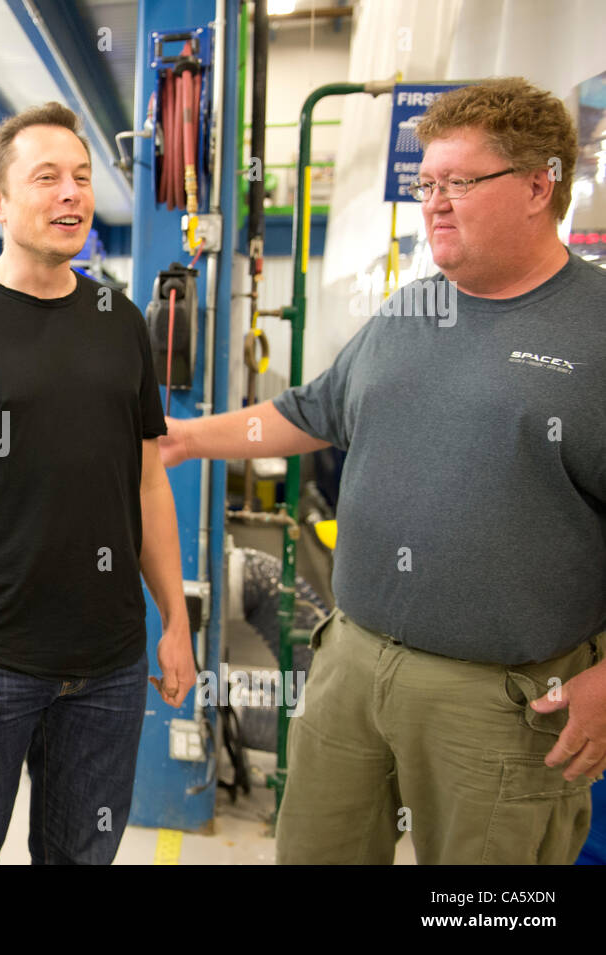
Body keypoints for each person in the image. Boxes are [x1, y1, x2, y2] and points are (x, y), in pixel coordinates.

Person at [160, 77, 606, 864]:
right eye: (426, 184)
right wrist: (186, 439)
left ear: (540, 186)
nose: (433, 202)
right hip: (353, 663)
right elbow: (310, 412)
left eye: (459, 183)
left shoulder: (594, 331)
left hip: (499, 700)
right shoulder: (412, 309)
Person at [0, 102, 196, 865]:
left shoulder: (120, 320)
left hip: (110, 666)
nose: (72, 194)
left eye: (83, 179)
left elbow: (148, 481)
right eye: (47, 177)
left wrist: (176, 615)